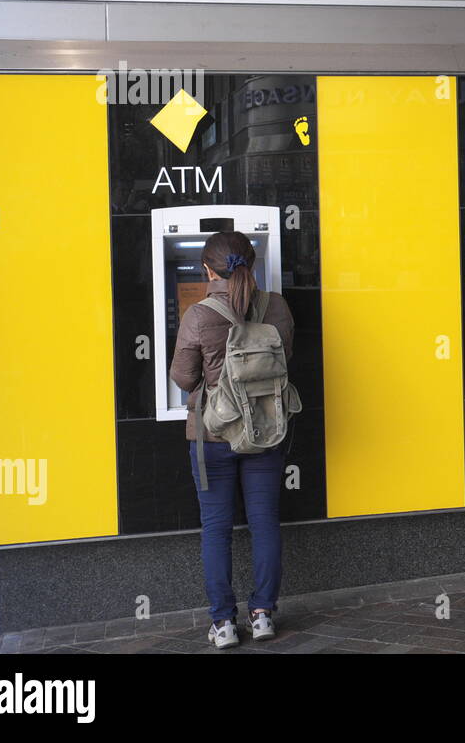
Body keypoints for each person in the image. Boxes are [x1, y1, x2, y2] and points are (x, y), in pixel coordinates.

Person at [169, 230, 295, 650]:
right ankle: (262, 615)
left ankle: (223, 624)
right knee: (264, 523)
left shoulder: (198, 315)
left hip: (213, 436)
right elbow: (283, 361)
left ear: (207, 269)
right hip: (265, 432)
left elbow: (184, 376)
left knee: (216, 529)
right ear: (252, 264)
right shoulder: (275, 306)